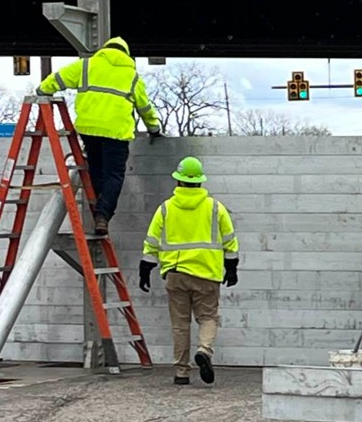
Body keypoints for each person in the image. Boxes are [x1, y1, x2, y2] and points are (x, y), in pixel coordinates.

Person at [37, 37, 162, 235]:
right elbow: (144, 108)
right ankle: (102, 215)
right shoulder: (132, 76)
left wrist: (42, 90)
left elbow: (58, 78)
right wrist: (154, 128)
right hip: (116, 133)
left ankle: (96, 205)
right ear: (126, 54)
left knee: (95, 168)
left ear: (104, 49)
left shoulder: (87, 65)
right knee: (113, 174)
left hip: (89, 129)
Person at [139, 157, 239, 386]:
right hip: (206, 274)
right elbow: (230, 240)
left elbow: (152, 240)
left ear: (179, 182)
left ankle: (181, 372)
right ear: (200, 183)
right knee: (208, 317)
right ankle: (204, 350)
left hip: (175, 274)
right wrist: (231, 267)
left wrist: (146, 267)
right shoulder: (215, 207)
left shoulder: (165, 208)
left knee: (180, 324)